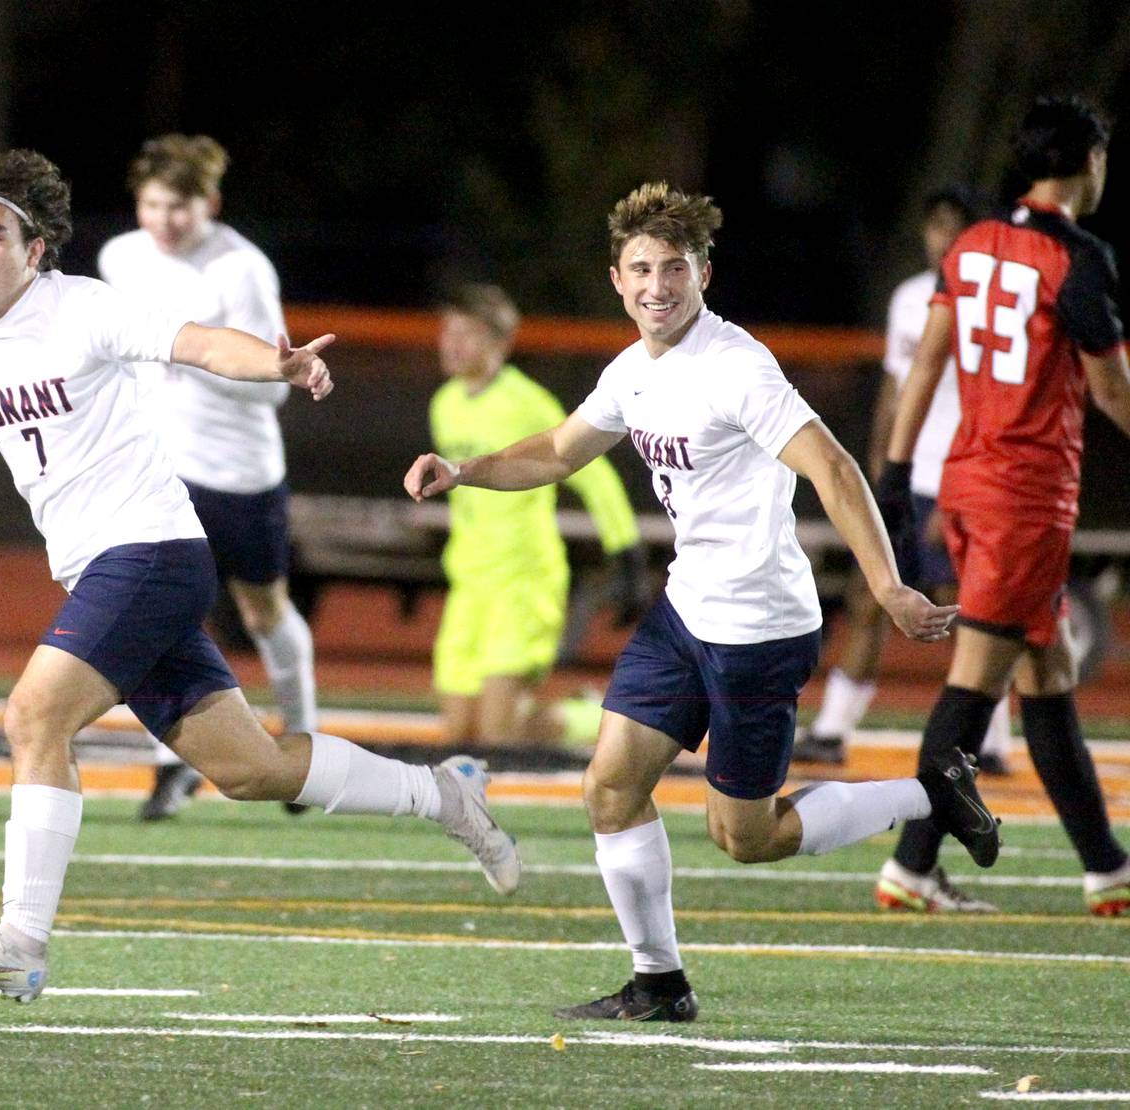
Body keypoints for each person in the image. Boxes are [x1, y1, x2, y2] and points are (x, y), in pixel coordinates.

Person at [0, 149, 521, 1003]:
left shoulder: (84, 309)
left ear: (37, 247)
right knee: (250, 770)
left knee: (34, 714)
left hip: (153, 554)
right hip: (103, 568)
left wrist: (276, 363)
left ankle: (20, 940)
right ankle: (444, 794)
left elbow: (198, 344)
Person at [405, 181, 997, 1024]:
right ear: (617, 278)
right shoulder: (631, 370)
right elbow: (559, 450)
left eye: (674, 268)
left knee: (745, 838)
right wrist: (463, 469)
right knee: (610, 787)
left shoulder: (736, 366)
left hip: (757, 629)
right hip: (687, 616)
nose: (657, 285)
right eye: (641, 268)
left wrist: (888, 583)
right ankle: (658, 981)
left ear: (704, 273)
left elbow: (830, 465)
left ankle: (930, 792)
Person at [876, 95, 1130, 918]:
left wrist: (895, 466)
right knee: (971, 687)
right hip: (1024, 495)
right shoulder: (1079, 257)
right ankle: (912, 864)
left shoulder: (973, 244)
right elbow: (1110, 388)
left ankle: (1106, 869)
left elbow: (924, 368)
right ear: (1088, 160)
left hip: (962, 477)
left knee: (1045, 673)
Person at [97, 134, 318, 820]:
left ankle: (303, 740)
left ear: (211, 204)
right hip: (156, 468)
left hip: (237, 471)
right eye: (153, 204)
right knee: (159, 609)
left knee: (261, 610)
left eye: (180, 207)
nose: (164, 220)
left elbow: (272, 390)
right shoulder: (120, 258)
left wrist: (193, 357)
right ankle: (173, 765)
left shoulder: (239, 271)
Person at [795, 189, 1015, 799]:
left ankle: (992, 738)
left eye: (955, 227)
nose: (942, 239)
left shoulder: (997, 300)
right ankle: (833, 728)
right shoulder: (910, 299)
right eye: (935, 226)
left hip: (965, 478)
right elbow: (898, 390)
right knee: (872, 595)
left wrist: (959, 485)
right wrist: (877, 470)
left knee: (966, 606)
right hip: (908, 474)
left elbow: (993, 400)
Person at [427, 282, 643, 749]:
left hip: (523, 582)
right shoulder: (444, 404)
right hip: (470, 585)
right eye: (448, 331)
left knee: (496, 734)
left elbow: (594, 475)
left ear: (500, 342)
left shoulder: (527, 402)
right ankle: (582, 709)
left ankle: (593, 718)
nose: (452, 343)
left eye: (467, 333)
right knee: (458, 733)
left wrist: (625, 551)